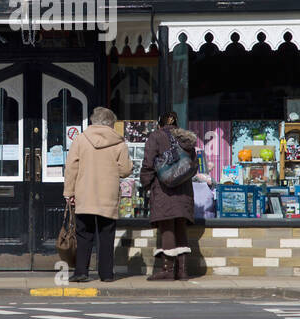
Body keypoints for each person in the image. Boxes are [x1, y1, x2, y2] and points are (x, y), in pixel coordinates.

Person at [63, 106, 132, 283]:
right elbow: (125, 170)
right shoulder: (119, 143)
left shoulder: (80, 139)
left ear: (94, 121)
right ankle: (107, 274)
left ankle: (81, 272)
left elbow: (71, 168)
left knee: (84, 234)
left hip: (84, 193)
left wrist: (69, 192)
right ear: (110, 123)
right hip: (107, 194)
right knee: (106, 235)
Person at [141, 112, 198, 280]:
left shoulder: (156, 136)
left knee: (167, 228)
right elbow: (192, 165)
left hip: (163, 190)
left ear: (160, 123)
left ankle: (167, 270)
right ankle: (182, 271)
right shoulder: (187, 140)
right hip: (184, 191)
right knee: (180, 227)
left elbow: (148, 163)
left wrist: (145, 183)